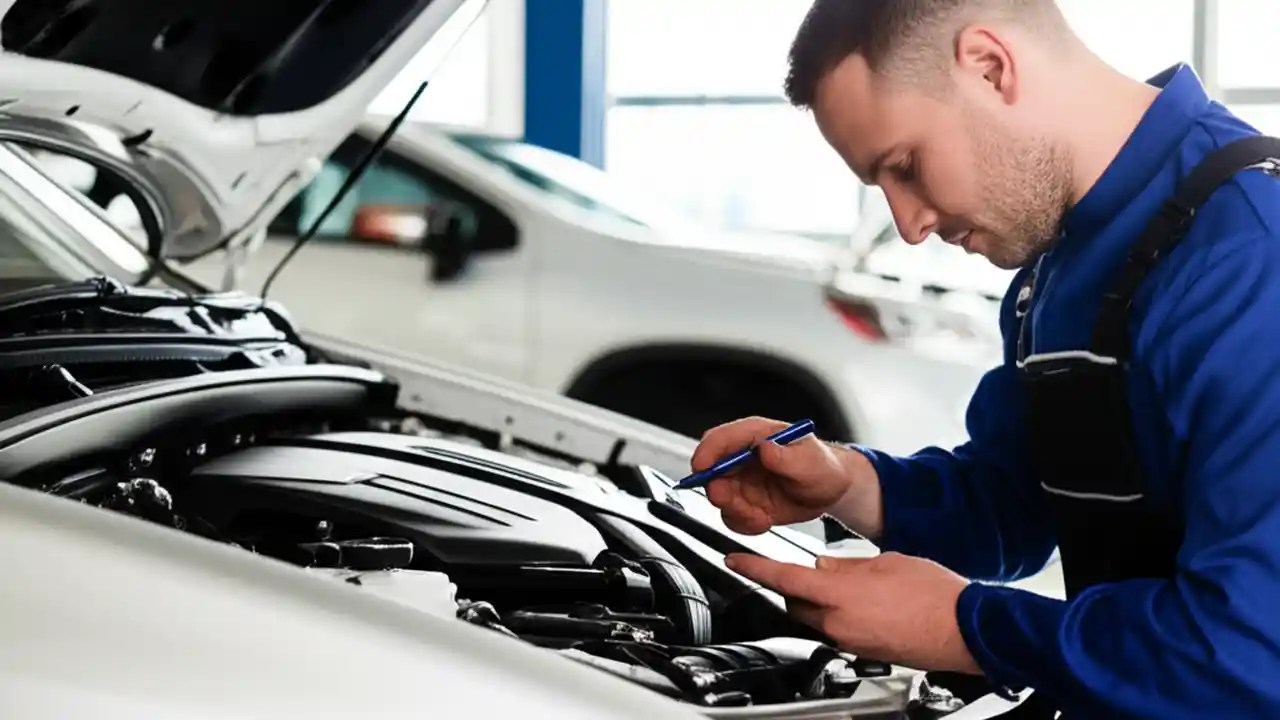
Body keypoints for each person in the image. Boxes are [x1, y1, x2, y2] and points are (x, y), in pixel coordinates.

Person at [690, 1, 1280, 717]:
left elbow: (1253, 654)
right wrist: (847, 484)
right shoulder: (1055, 267)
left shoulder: (1251, 257)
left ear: (990, 66)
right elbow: (1020, 504)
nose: (909, 226)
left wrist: (964, 626)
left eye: (905, 166)